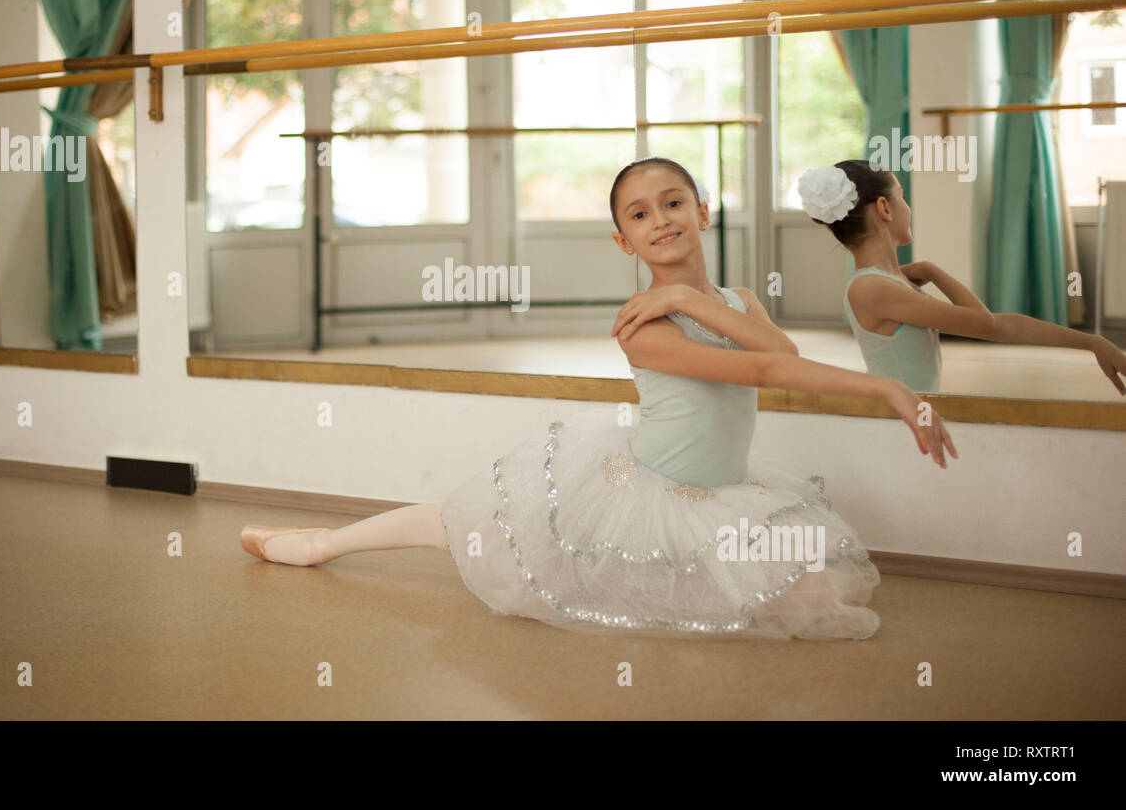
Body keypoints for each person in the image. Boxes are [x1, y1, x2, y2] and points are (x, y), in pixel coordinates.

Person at [241, 157, 957, 641]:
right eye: (641, 215)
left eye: (674, 203)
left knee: (821, 598)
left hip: (721, 494)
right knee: (462, 521)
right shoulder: (641, 324)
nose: (662, 219)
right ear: (625, 240)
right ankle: (321, 543)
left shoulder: (736, 301)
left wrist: (692, 296)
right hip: (646, 488)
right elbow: (765, 374)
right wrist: (888, 385)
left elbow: (784, 356)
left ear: (703, 212)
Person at [798, 160, 1126, 395]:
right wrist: (931, 270)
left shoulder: (886, 282)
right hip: (897, 428)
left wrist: (1091, 342)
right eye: (902, 195)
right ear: (884, 208)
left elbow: (1001, 323)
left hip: (910, 419)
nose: (907, 206)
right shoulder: (872, 288)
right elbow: (985, 324)